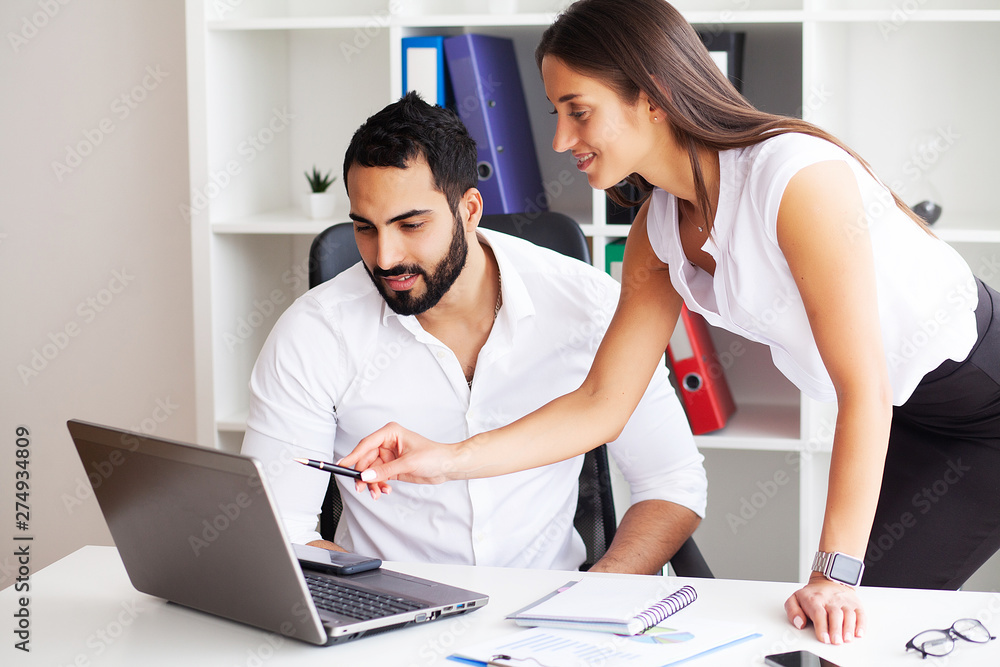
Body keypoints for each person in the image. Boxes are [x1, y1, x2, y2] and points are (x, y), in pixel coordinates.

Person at [341, 0, 1000, 647]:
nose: (561, 140)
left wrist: (834, 573)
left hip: (981, 400)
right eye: (555, 114)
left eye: (579, 111)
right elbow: (600, 405)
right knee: (843, 633)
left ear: (651, 95)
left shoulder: (792, 179)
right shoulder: (657, 232)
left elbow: (863, 388)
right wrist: (444, 459)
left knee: (846, 619)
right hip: (909, 413)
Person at [240, 92, 707, 574]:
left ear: (469, 209)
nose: (384, 257)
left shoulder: (588, 304)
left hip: (552, 614)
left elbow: (671, 482)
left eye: (411, 224)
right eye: (365, 227)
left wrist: (599, 594)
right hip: (390, 619)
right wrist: (404, 604)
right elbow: (280, 527)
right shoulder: (315, 331)